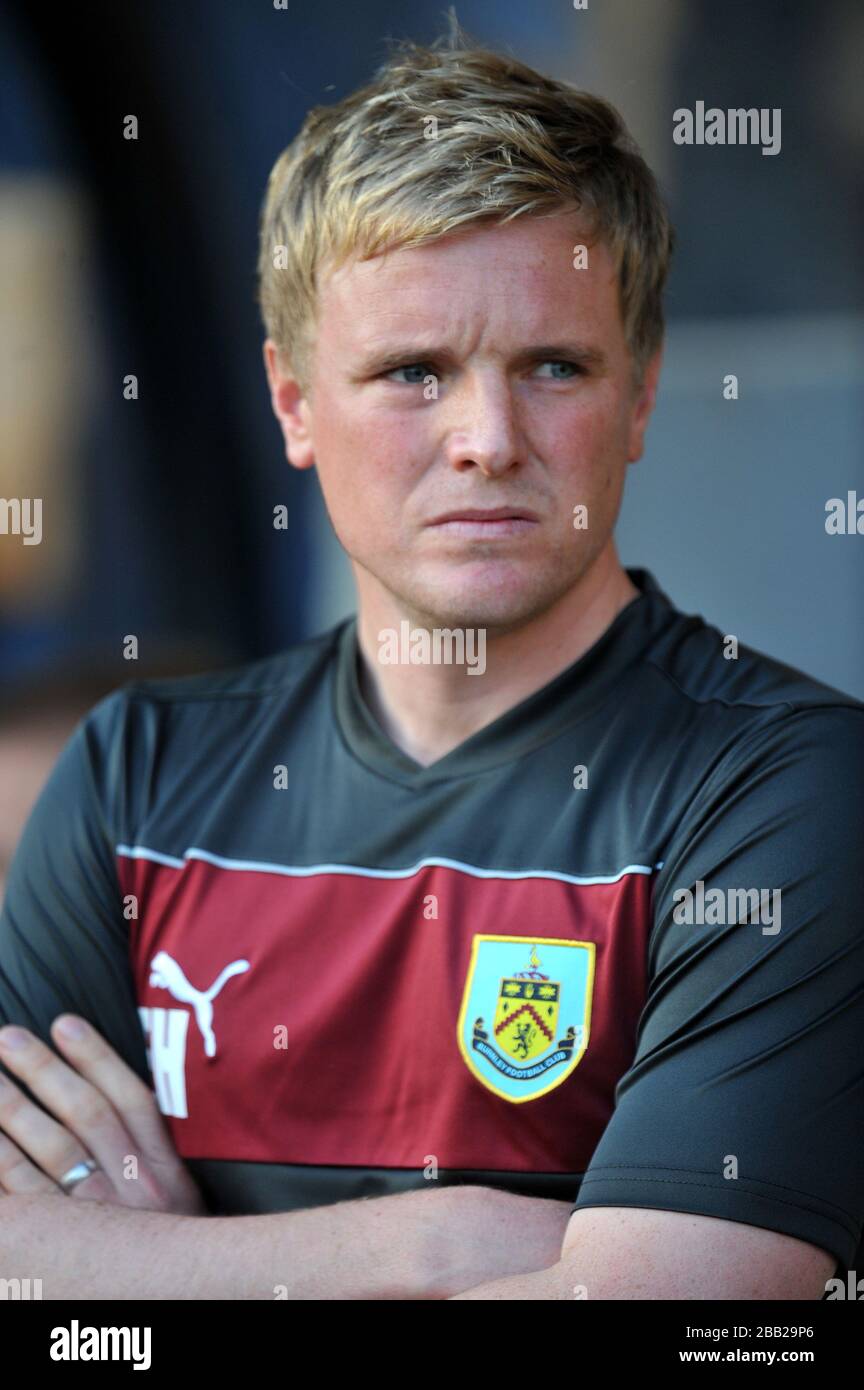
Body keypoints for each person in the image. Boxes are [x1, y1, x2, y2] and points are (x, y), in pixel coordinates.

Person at [0, 29, 861, 1301]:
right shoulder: (137, 777)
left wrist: (149, 1272)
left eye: (553, 367)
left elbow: (662, 1320)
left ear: (639, 395)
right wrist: (428, 1246)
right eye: (414, 371)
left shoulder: (786, 794)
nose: (486, 440)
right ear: (293, 403)